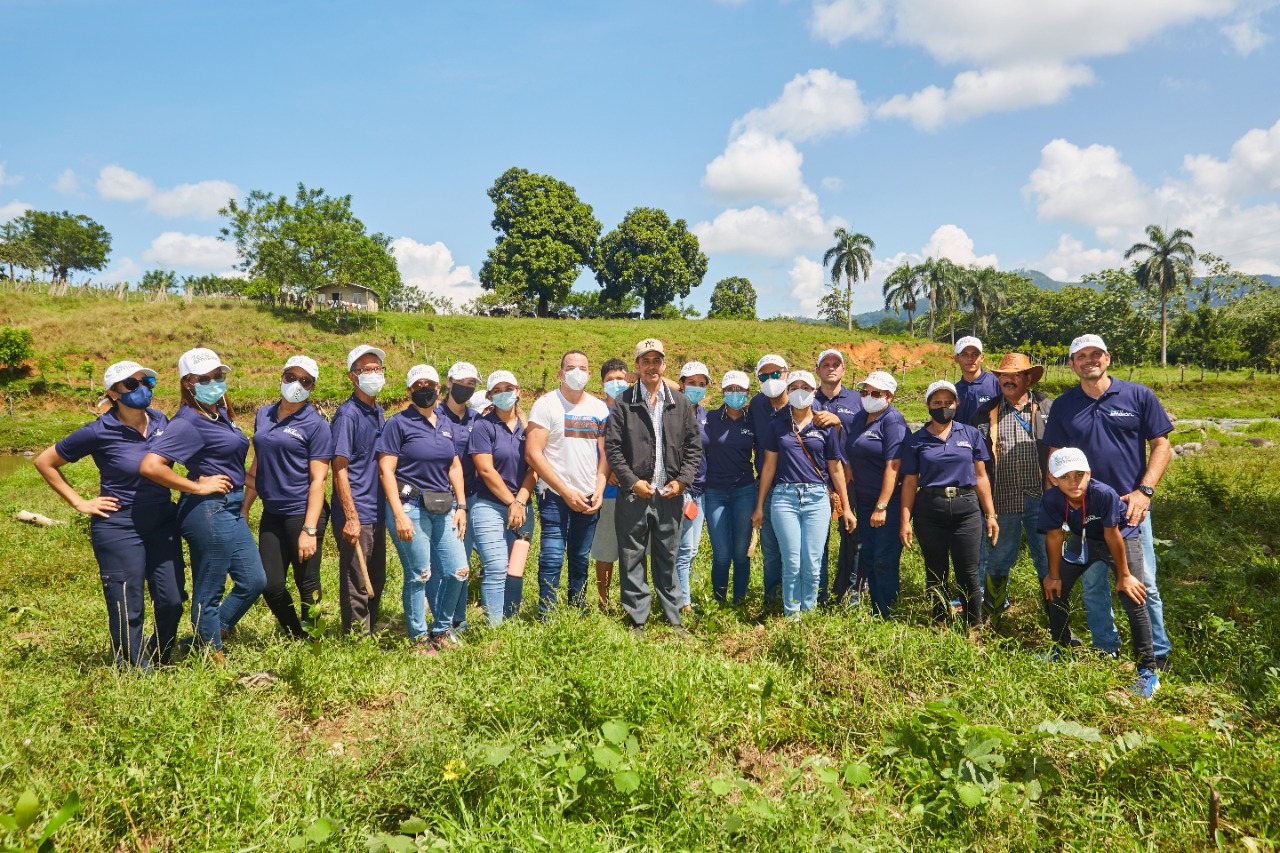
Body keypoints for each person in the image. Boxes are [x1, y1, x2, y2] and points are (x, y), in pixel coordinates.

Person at [35, 361, 183, 670]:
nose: (141, 389)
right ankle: (133, 672)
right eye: (131, 384)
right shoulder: (98, 431)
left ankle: (159, 656)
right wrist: (79, 502)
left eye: (147, 382)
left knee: (171, 599)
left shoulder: (160, 420)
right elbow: (45, 462)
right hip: (119, 524)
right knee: (128, 603)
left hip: (161, 520)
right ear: (113, 393)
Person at [1044, 334, 1174, 670]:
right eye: (1081, 356)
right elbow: (1055, 455)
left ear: (1108, 358)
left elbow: (1162, 445)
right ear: (1072, 365)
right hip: (1083, 513)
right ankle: (1106, 648)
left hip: (1130, 510)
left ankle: (1157, 656)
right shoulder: (1064, 405)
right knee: (1092, 584)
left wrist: (1144, 492)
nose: (1089, 360)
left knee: (1143, 583)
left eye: (1096, 354)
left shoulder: (1138, 395)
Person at [140, 348, 266, 658]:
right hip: (208, 510)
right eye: (205, 378)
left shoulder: (217, 413)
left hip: (231, 505)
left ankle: (206, 637)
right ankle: (213, 660)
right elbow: (151, 466)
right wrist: (196, 485)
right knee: (209, 592)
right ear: (187, 383)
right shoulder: (187, 422)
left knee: (254, 580)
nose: (215, 382)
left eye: (218, 376)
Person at [1038, 448, 1160, 698]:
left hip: (1121, 541)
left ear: (1089, 473)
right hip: (1083, 539)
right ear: (1052, 478)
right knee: (1055, 590)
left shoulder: (1103, 493)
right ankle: (1060, 650)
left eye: (1079, 475)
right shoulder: (1051, 499)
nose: (1073, 482)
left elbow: (1112, 534)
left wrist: (1124, 576)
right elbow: (1054, 535)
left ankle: (1147, 670)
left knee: (1133, 596)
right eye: (1065, 477)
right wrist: (1053, 575)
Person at [604, 339, 703, 636]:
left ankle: (673, 618)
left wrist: (682, 480)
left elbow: (693, 447)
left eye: (656, 360)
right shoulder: (624, 403)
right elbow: (613, 448)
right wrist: (632, 482)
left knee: (668, 555)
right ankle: (638, 619)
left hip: (669, 493)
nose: (651, 366)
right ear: (636, 367)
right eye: (644, 361)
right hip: (635, 495)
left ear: (663, 365)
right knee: (632, 555)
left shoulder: (680, 402)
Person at [377, 364, 469, 650]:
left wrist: (462, 505)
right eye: (418, 385)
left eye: (430, 384)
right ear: (409, 390)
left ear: (440, 388)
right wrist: (398, 512)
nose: (425, 389)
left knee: (458, 570)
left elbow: (454, 465)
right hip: (411, 507)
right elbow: (386, 469)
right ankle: (418, 637)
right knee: (420, 574)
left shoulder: (444, 424)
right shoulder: (398, 423)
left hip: (444, 506)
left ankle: (441, 630)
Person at [243, 356, 334, 639]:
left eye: (305, 381)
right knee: (269, 584)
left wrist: (309, 529)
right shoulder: (264, 415)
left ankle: (314, 643)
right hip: (273, 511)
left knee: (307, 582)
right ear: (281, 377)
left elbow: (319, 478)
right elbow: (259, 462)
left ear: (312, 387)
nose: (297, 384)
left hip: (304, 512)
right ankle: (296, 633)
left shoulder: (316, 425)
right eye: (291, 377)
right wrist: (245, 506)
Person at [752, 370, 855, 619]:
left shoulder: (825, 424)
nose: (800, 391)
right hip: (784, 497)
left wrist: (847, 508)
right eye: (794, 386)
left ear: (814, 391)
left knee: (812, 561)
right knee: (792, 561)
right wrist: (759, 505)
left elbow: (836, 467)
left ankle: (808, 614)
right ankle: (792, 616)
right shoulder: (777, 424)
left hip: (817, 498)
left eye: (805, 387)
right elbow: (768, 466)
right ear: (787, 391)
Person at [898, 380, 999, 628]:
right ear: (928, 405)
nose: (943, 407)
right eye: (937, 403)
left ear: (957, 404)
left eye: (948, 403)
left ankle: (973, 628)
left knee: (969, 573)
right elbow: (910, 483)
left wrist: (991, 514)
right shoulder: (916, 439)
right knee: (936, 572)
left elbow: (981, 477)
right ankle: (940, 623)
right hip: (930, 510)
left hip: (967, 509)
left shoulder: (970, 434)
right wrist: (905, 521)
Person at [971, 352, 1056, 628]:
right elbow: (978, 462)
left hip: (1041, 499)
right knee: (997, 559)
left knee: (1047, 560)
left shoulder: (1046, 408)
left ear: (1028, 378)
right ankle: (993, 618)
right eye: (1004, 375)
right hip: (1002, 500)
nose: (1008, 380)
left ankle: (1057, 620)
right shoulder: (986, 413)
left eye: (1015, 375)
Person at [525, 350, 608, 613]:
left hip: (588, 495)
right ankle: (546, 611)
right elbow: (533, 453)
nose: (577, 373)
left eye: (582, 368)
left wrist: (600, 489)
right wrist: (564, 490)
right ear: (560, 373)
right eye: (571, 368)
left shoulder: (599, 408)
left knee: (580, 557)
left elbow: (605, 454)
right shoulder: (546, 404)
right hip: (554, 495)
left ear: (590, 374)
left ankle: (577, 606)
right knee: (551, 556)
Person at [468, 370, 537, 625]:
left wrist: (521, 501)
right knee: (496, 567)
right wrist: (512, 502)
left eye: (508, 388)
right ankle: (495, 628)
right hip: (490, 506)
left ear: (518, 391)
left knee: (515, 570)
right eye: (497, 390)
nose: (503, 393)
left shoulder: (529, 428)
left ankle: (511, 622)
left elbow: (534, 468)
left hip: (523, 508)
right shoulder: (483, 427)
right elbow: (486, 470)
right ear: (489, 396)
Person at [330, 344, 388, 636]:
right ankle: (356, 642)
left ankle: (370, 633)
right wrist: (350, 517)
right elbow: (339, 467)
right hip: (357, 513)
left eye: (378, 369)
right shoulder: (347, 415)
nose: (374, 374)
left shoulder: (378, 412)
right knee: (357, 582)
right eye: (367, 370)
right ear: (353, 377)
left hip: (377, 512)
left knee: (377, 578)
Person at [842, 371, 908, 619]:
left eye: (876, 393)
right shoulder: (861, 417)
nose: (868, 397)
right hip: (864, 500)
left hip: (886, 504)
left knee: (884, 558)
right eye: (864, 392)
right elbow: (851, 451)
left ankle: (888, 612)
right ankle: (876, 609)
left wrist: (882, 505)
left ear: (890, 396)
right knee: (869, 556)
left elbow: (894, 466)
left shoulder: (893, 422)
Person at [812, 347, 863, 604]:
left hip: (849, 478)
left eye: (836, 364)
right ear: (818, 370)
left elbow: (866, 437)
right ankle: (818, 591)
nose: (831, 367)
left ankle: (850, 589)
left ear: (843, 369)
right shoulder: (807, 399)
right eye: (826, 364)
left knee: (852, 535)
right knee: (817, 539)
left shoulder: (857, 400)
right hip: (817, 479)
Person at [702, 370, 757, 604]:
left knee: (741, 553)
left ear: (747, 393)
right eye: (730, 389)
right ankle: (718, 601)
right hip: (714, 492)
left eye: (740, 390)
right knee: (722, 555)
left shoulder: (753, 421)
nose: (735, 394)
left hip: (744, 490)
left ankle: (740, 600)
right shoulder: (711, 419)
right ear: (723, 392)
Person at [439, 361, 483, 633]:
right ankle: (439, 618)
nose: (466, 388)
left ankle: (459, 618)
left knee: (461, 561)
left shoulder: (476, 420)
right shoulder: (434, 414)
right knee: (439, 562)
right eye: (461, 382)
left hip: (468, 500)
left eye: (471, 384)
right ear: (448, 382)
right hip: (438, 499)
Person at [747, 354, 791, 607]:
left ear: (787, 373)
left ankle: (797, 601)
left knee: (795, 550)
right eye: (764, 376)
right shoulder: (757, 404)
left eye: (776, 374)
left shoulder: (802, 402)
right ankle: (771, 601)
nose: (771, 380)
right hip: (767, 487)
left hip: (796, 487)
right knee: (772, 550)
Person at [591, 357, 631, 608]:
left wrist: (635, 375)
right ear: (601, 383)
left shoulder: (637, 406)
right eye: (610, 380)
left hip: (635, 490)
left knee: (636, 550)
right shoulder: (595, 410)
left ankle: (634, 597)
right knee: (606, 549)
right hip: (606, 490)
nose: (616, 384)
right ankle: (603, 600)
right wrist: (610, 471)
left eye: (621, 379)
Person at [674, 360, 710, 614]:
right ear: (681, 384)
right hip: (680, 490)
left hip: (701, 491)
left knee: (693, 548)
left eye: (701, 384)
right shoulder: (670, 412)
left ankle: (679, 595)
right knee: (684, 549)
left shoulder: (706, 416)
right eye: (691, 383)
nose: (696, 388)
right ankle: (682, 603)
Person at [954, 336, 1000, 427]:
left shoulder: (997, 384)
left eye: (975, 354)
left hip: (992, 440)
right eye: (964, 354)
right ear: (957, 358)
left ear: (982, 357)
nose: (970, 358)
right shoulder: (953, 391)